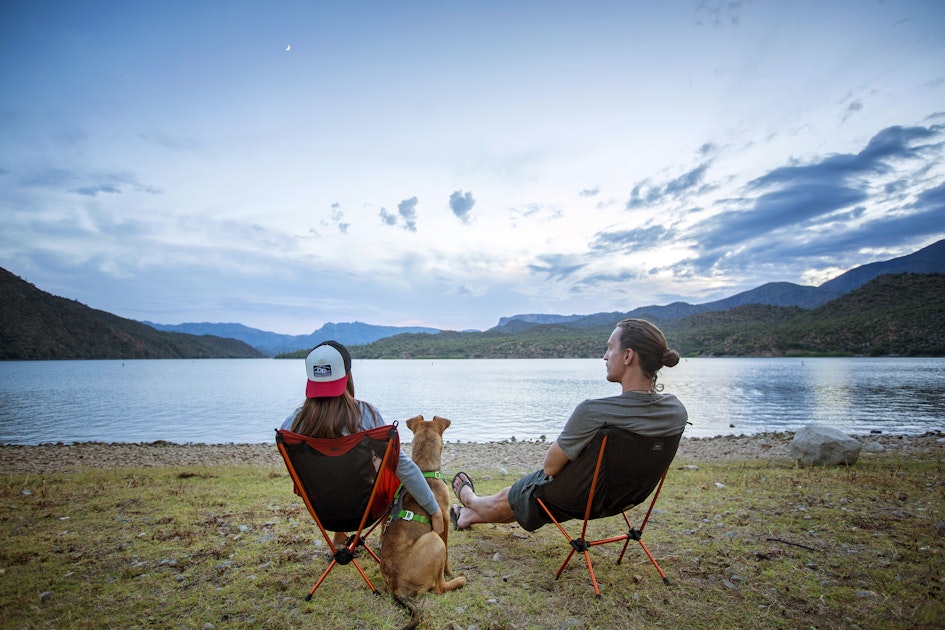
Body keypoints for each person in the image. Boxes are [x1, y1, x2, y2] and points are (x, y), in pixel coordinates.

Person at [450, 318, 688, 532]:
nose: (605, 356)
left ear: (628, 356)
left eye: (610, 347)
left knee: (526, 492)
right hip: (628, 497)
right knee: (525, 493)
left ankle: (470, 500)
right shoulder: (676, 411)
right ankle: (468, 516)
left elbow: (550, 468)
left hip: (578, 499)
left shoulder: (593, 411)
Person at [282, 340, 445, 545]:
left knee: (333, 472)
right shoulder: (367, 414)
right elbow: (404, 467)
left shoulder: (294, 423)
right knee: (390, 466)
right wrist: (434, 509)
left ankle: (339, 537)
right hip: (365, 511)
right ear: (347, 376)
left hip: (321, 511)